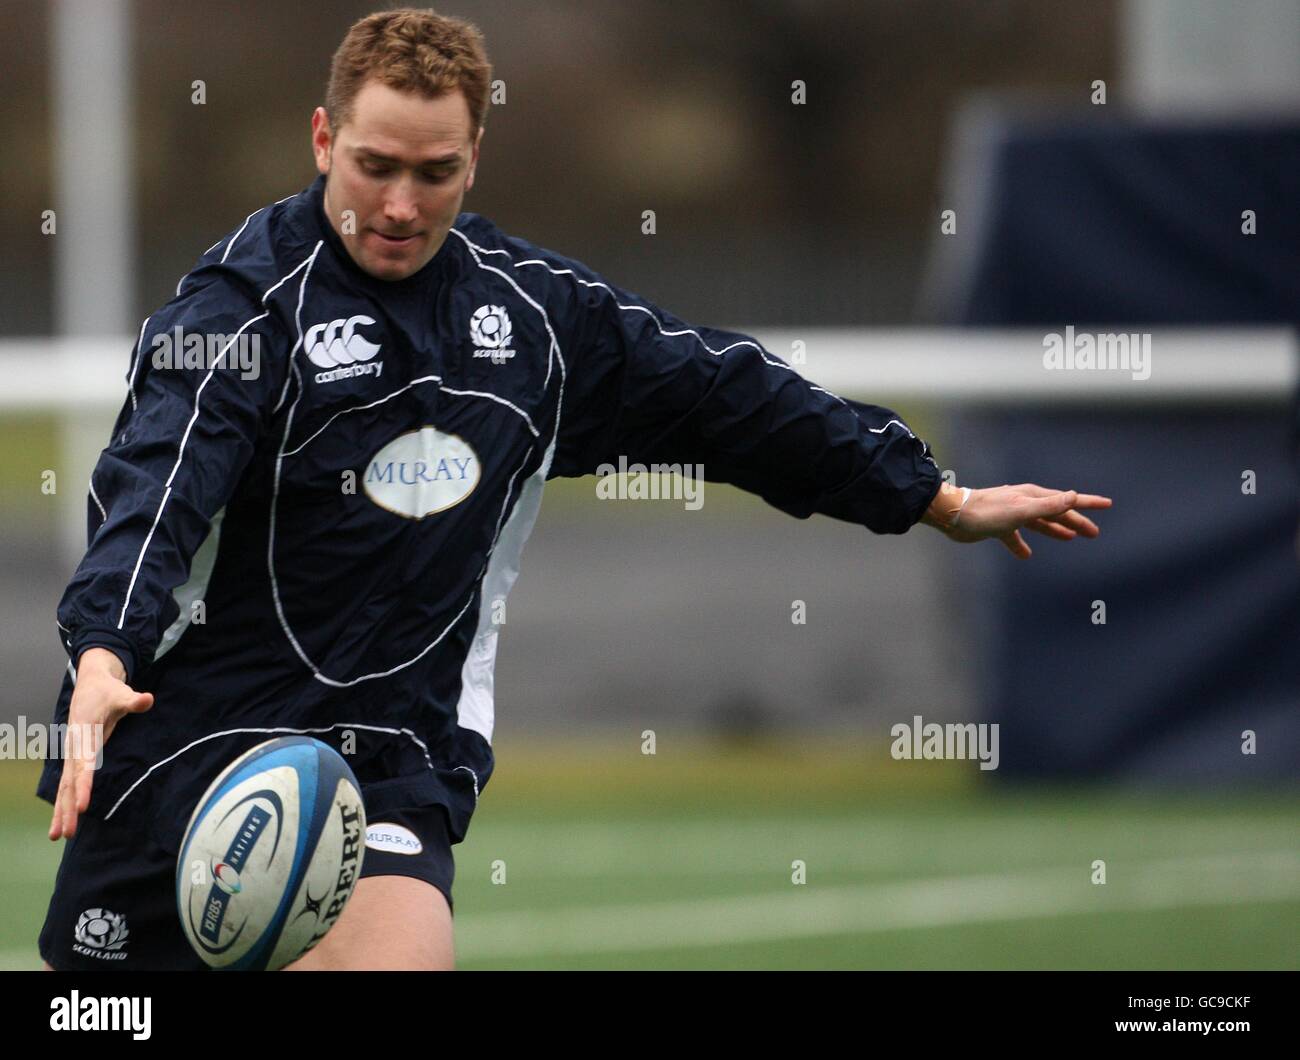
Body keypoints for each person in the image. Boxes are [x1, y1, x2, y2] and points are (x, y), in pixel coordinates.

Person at [38, 7, 1111, 971]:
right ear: (323, 141)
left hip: (385, 762)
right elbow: (158, 487)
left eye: (435, 171)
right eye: (374, 166)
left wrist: (929, 494)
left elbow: (723, 396)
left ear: (475, 160)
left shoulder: (533, 324)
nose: (402, 204)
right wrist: (103, 652)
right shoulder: (238, 310)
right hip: (173, 744)